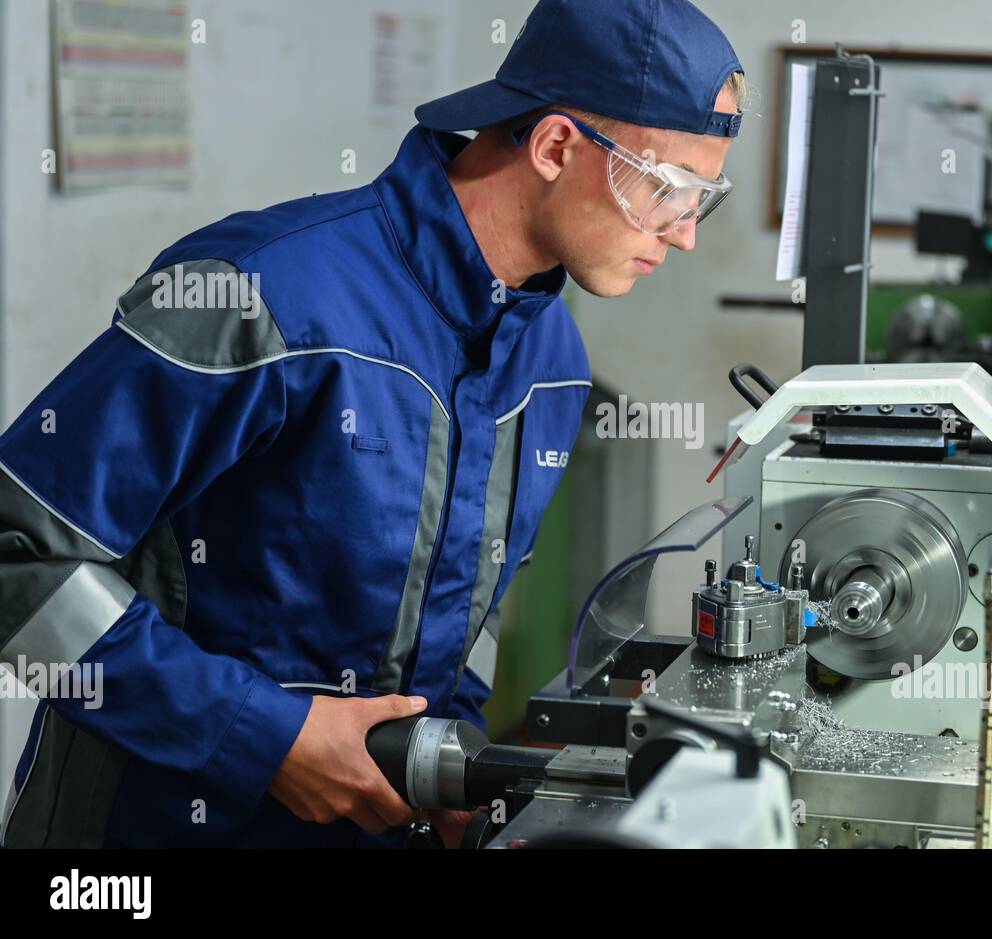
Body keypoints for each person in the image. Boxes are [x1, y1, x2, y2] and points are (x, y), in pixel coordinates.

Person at [0, 0, 745, 847]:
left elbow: (472, 616)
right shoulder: (261, 295)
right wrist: (269, 738)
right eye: (667, 188)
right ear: (556, 146)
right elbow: (15, 556)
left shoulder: (553, 366)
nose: (684, 233)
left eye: (704, 199)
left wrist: (456, 762)